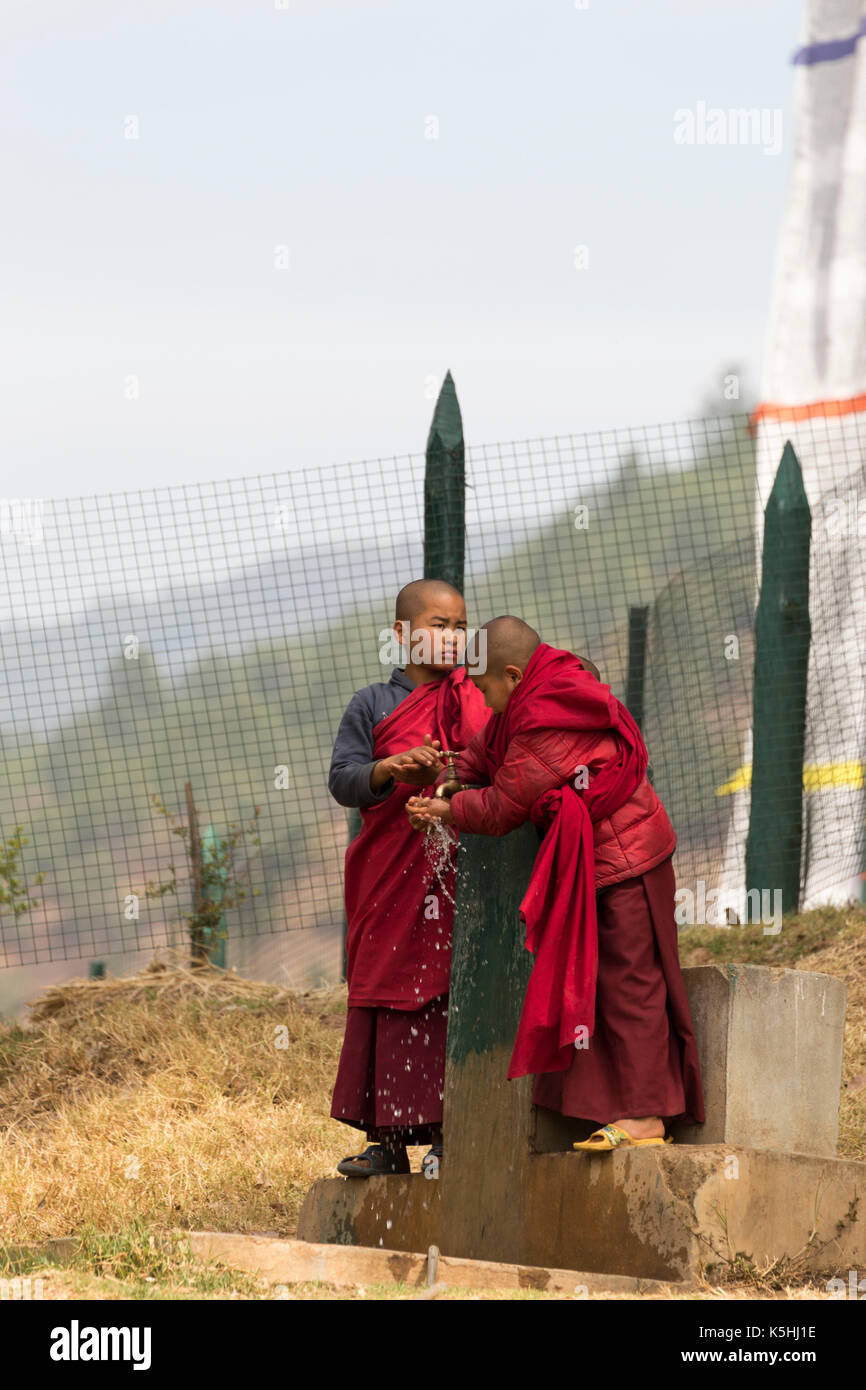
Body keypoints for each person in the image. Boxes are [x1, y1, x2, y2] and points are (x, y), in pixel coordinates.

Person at [406, 616, 704, 1151]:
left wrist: (447, 809)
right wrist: (456, 773)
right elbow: (490, 748)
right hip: (599, 859)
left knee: (630, 984)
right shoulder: (537, 689)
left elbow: (503, 807)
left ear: (515, 675)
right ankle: (616, 1108)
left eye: (484, 685)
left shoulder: (548, 717)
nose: (478, 695)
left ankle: (646, 1117)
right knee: (600, 984)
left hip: (628, 858)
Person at [327, 579, 490, 1176]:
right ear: (401, 634)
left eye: (458, 627)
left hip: (457, 874)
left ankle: (451, 1135)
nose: (450, 638)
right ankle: (387, 1142)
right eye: (437, 625)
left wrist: (451, 773)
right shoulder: (372, 703)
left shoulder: (477, 700)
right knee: (386, 993)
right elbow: (344, 780)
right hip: (388, 876)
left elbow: (498, 768)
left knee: (449, 994)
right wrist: (392, 767)